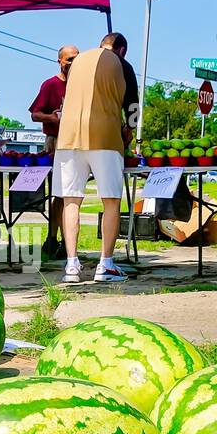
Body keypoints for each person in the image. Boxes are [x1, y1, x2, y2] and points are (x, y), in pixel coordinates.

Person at [54, 32, 139, 283]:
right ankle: (106, 265)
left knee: (71, 201)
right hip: (105, 136)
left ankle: (71, 266)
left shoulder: (78, 61)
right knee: (111, 201)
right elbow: (132, 108)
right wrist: (129, 132)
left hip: (68, 138)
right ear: (121, 50)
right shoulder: (122, 64)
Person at [29, 44, 79, 262]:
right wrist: (53, 118)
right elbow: (35, 114)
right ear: (60, 61)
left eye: (76, 58)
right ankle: (52, 239)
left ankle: (64, 243)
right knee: (59, 193)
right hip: (57, 142)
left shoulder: (82, 84)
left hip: (79, 142)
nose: (72, 63)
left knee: (71, 194)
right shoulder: (51, 85)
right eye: (69, 59)